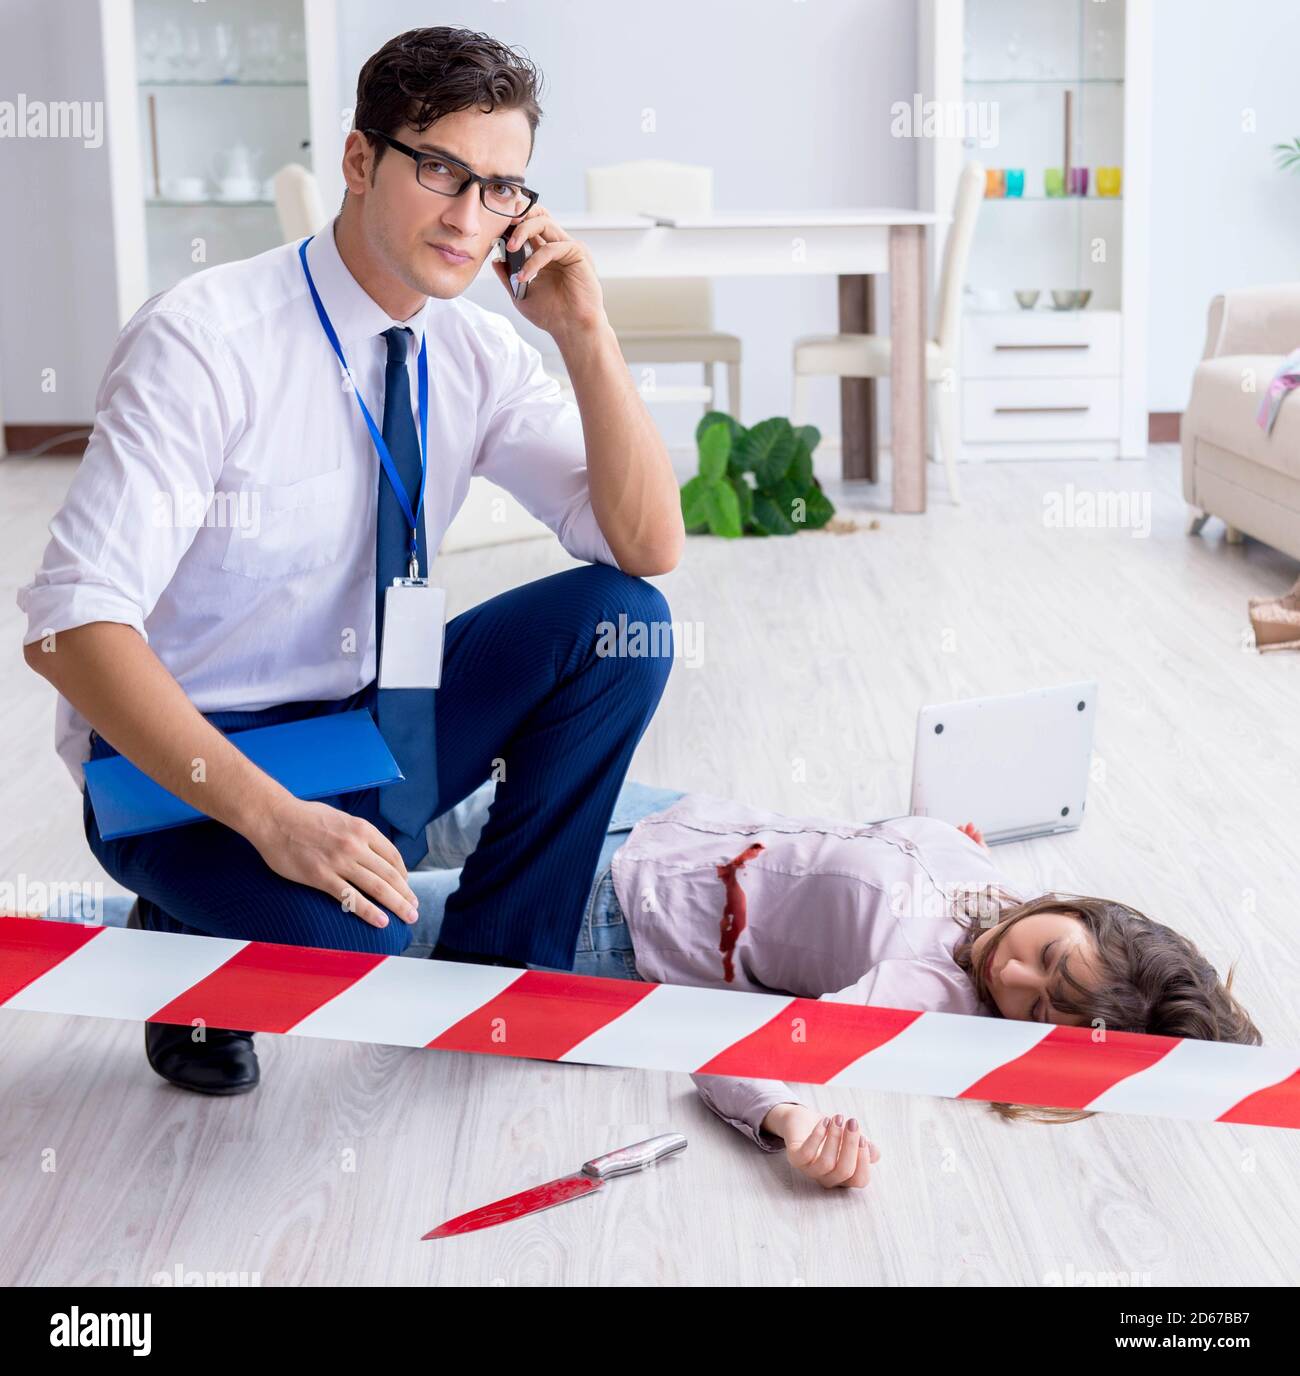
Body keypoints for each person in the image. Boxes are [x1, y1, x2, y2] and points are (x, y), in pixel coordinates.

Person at [16, 28, 683, 1096]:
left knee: (624, 620)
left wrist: (587, 334)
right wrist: (271, 817)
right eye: (440, 171)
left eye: (501, 187)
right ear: (361, 161)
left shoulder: (475, 348)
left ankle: (501, 976)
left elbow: (647, 545)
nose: (470, 218)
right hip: (184, 764)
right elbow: (69, 628)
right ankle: (184, 924)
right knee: (354, 950)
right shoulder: (206, 340)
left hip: (372, 728)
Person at [420, 779, 1263, 1192]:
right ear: (1088, 915)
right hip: (647, 815)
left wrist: (788, 1121)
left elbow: (735, 1052)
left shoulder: (927, 1000)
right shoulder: (994, 889)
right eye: (1051, 957)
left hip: (606, 920)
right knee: (407, 795)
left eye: (1035, 1007)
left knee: (358, 897)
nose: (1009, 970)